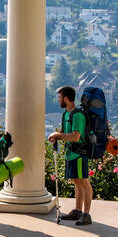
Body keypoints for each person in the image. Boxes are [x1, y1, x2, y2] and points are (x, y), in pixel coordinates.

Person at [47, 85, 93, 226]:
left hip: (79, 153)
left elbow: (75, 136)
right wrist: (57, 137)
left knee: (84, 181)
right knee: (77, 181)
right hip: (70, 153)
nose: (59, 100)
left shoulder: (78, 115)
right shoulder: (66, 114)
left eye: (60, 97)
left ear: (66, 98)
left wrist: (59, 135)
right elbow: (63, 132)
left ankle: (86, 214)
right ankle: (78, 211)